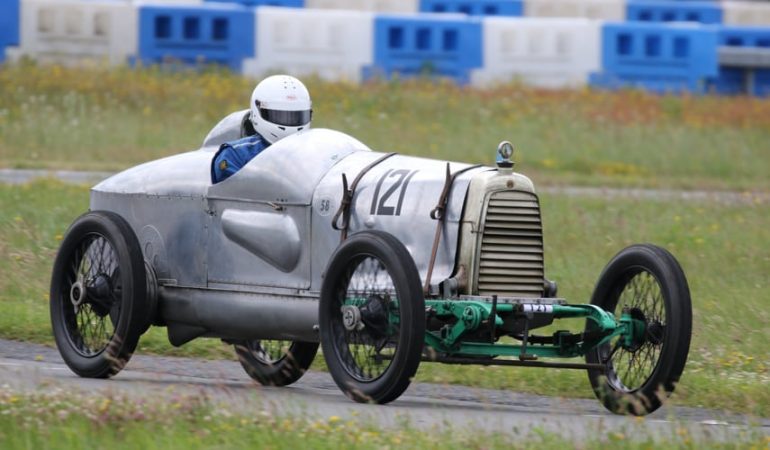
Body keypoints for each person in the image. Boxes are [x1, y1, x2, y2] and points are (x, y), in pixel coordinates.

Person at [211, 75, 313, 183]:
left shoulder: (316, 153)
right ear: (257, 111)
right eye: (280, 115)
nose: (290, 122)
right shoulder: (235, 155)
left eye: (297, 116)